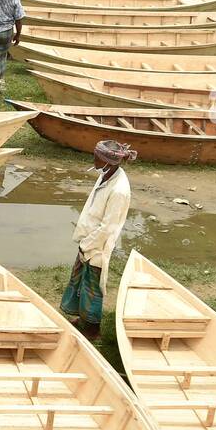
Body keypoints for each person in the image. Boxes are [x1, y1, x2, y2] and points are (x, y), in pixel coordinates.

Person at [61, 140, 135, 341]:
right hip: (88, 239)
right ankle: (82, 319)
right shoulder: (106, 174)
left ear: (107, 161)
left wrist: (88, 245)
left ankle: (92, 329)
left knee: (92, 287)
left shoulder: (119, 190)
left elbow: (108, 227)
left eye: (96, 157)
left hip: (98, 245)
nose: (93, 159)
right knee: (80, 282)